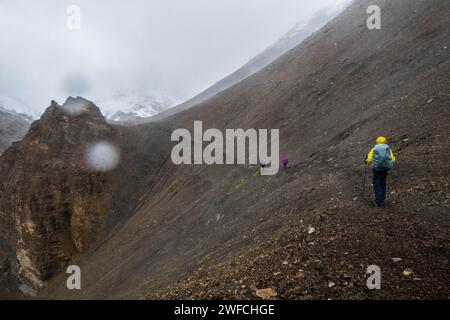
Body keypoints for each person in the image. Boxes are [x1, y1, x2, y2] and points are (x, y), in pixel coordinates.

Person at [365, 136, 396, 207]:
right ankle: (382, 199)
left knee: (377, 184)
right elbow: (392, 159)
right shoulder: (387, 148)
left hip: (377, 169)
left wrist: (366, 161)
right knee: (383, 183)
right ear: (385, 141)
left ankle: (378, 202)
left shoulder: (375, 148)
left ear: (377, 141)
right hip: (385, 169)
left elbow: (369, 159)